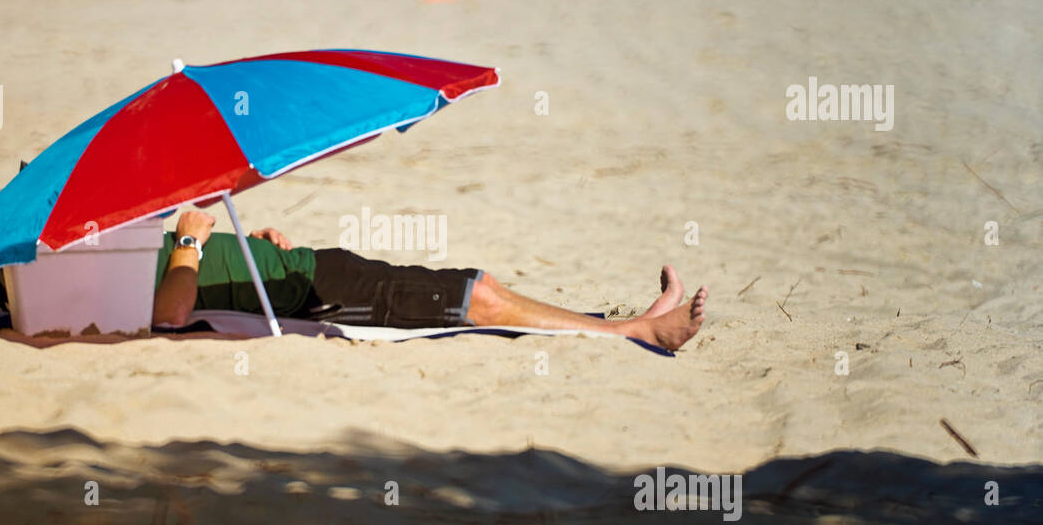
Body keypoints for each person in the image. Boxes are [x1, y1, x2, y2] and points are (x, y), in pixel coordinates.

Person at [152, 210, 708, 352]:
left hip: (307, 268)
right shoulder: (144, 267)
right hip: (319, 294)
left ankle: (625, 324)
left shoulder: (135, 255)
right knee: (478, 297)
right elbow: (171, 315)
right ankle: (637, 334)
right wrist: (190, 241)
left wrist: (254, 250)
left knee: (481, 286)